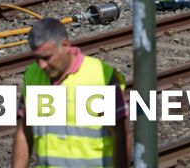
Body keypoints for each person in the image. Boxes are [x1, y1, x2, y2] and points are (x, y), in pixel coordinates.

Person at [13, 18, 129, 168]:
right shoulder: (33, 76)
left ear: (65, 45)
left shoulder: (99, 77)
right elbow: (24, 132)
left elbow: (121, 135)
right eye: (36, 59)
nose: (41, 65)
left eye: (47, 58)